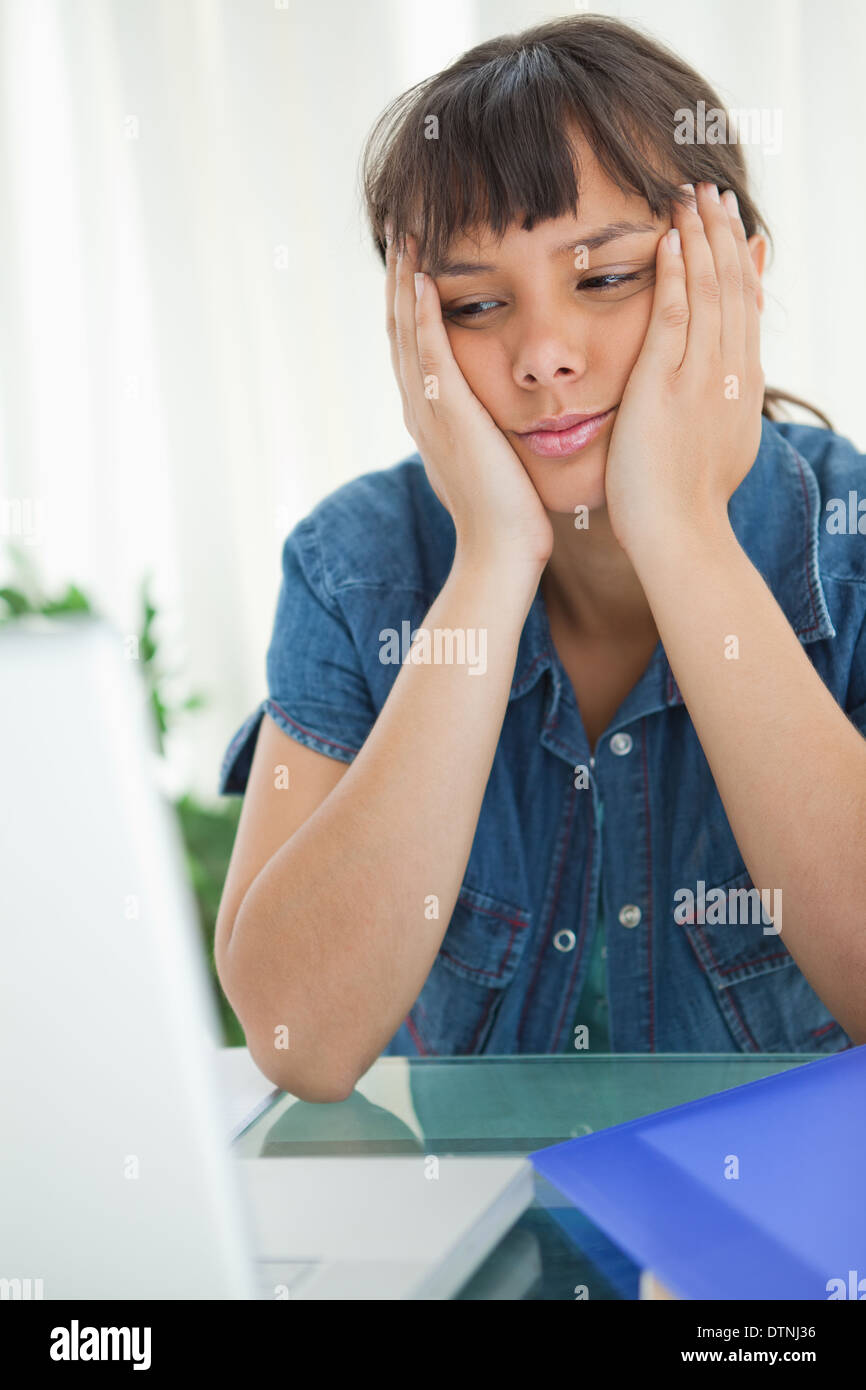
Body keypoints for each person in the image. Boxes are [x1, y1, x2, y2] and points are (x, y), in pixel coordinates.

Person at [214, 15, 866, 1102]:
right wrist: (490, 558)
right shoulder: (355, 567)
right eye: (474, 305)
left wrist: (681, 531)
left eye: (603, 278)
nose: (541, 354)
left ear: (737, 280)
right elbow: (297, 1035)